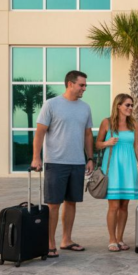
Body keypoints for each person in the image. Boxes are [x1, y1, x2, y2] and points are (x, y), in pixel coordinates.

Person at [31, 70, 94, 258]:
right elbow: (40, 132)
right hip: (56, 162)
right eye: (81, 85)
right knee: (53, 204)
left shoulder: (85, 108)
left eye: (85, 85)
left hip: (77, 162)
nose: (84, 88)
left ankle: (66, 239)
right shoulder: (51, 105)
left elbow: (88, 134)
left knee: (71, 202)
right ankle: (50, 243)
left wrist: (89, 158)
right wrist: (36, 157)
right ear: (70, 84)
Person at [95, 94, 138, 252]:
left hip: (129, 167)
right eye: (127, 105)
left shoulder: (133, 124)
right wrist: (106, 143)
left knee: (124, 205)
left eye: (131, 105)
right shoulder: (107, 122)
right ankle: (112, 240)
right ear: (118, 105)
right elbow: (97, 144)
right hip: (113, 168)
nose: (130, 108)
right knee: (114, 205)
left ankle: (120, 238)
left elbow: (136, 147)